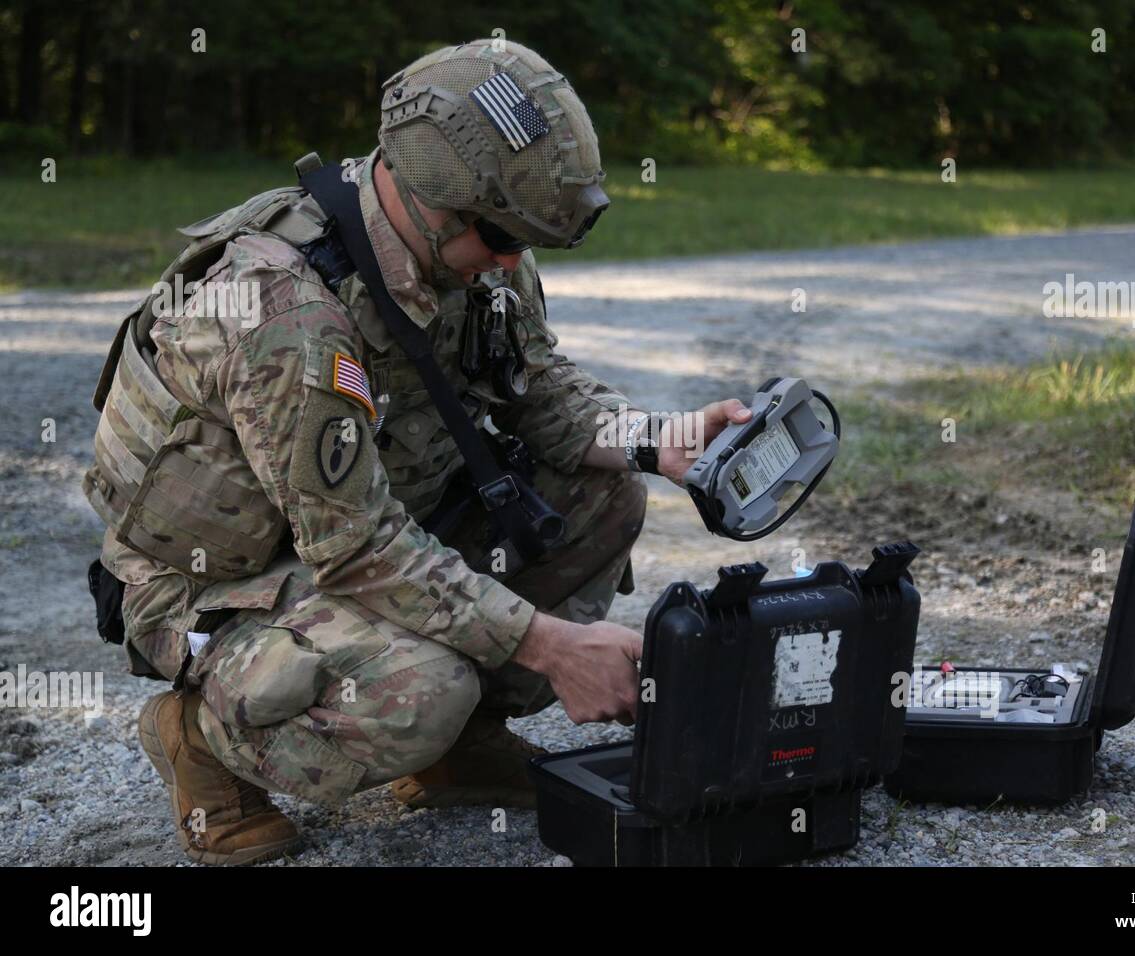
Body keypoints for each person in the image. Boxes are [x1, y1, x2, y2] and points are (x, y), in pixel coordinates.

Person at [82, 37, 752, 865]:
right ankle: (198, 737)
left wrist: (659, 439)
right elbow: (356, 546)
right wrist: (551, 645)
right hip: (221, 583)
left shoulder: (481, 254)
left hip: (356, 531)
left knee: (603, 493)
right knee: (423, 688)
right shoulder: (287, 317)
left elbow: (539, 388)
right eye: (501, 236)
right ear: (434, 199)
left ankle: (457, 752)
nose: (511, 260)